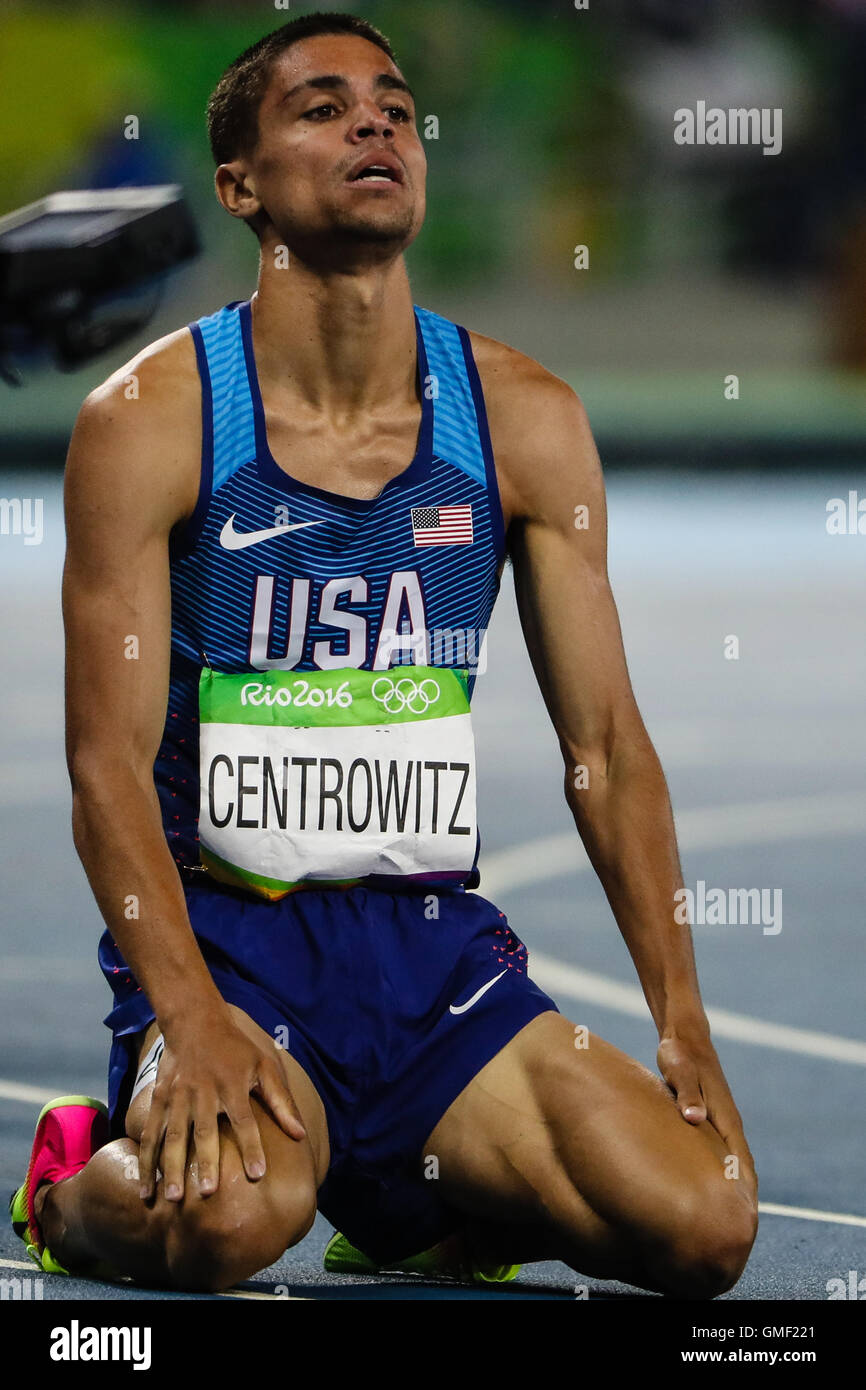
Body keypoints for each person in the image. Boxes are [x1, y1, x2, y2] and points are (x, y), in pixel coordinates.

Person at [11, 13, 757, 1296]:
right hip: (225, 945)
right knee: (231, 1225)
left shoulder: (525, 420)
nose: (374, 124)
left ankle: (407, 1202)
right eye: (320, 106)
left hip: (430, 958)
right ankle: (72, 1179)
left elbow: (606, 752)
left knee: (703, 1228)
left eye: (395, 109)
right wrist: (186, 1017)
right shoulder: (149, 422)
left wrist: (681, 1019)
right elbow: (104, 769)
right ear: (240, 187)